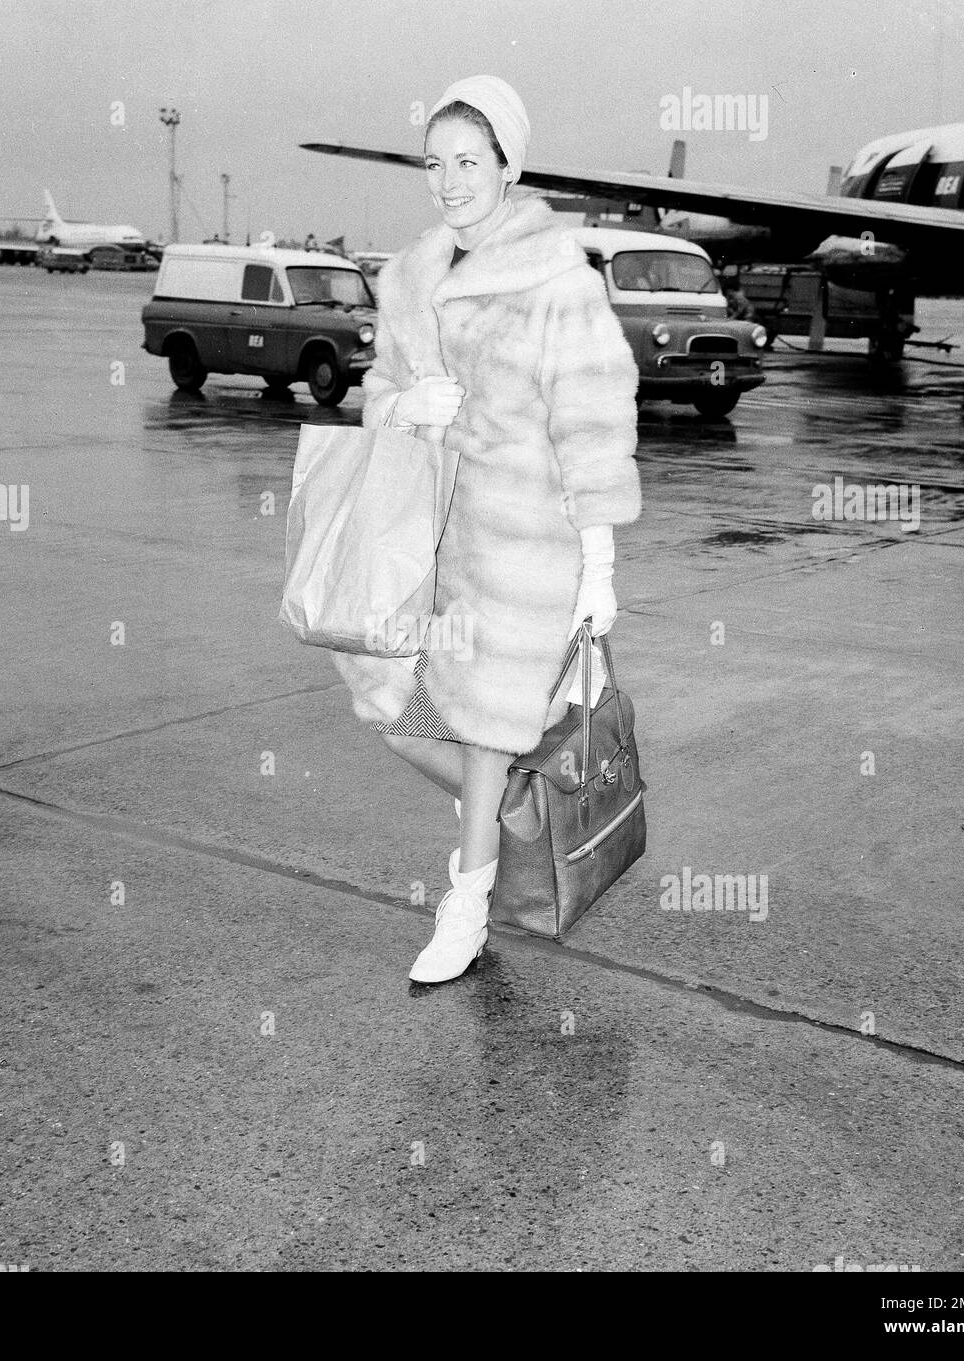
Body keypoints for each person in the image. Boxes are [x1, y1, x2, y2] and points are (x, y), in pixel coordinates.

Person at [331, 74, 642, 984]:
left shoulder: (556, 279)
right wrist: (401, 406)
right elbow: (375, 394)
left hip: (521, 548)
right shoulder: (413, 273)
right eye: (436, 163)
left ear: (510, 164)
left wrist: (598, 563)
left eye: (470, 160)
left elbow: (594, 426)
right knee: (391, 712)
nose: (451, 180)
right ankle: (506, 808)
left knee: (478, 727)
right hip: (424, 539)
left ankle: (463, 909)